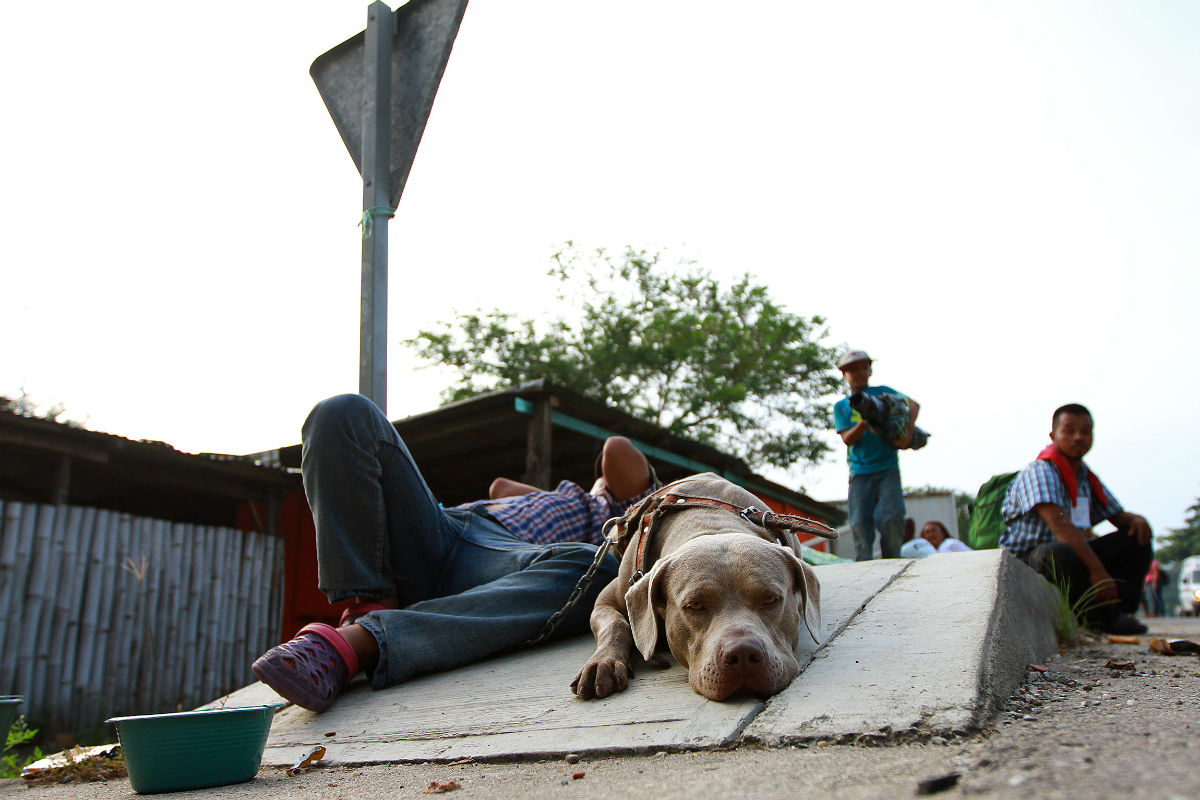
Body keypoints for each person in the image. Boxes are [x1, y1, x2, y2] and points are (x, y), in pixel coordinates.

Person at [251, 394, 658, 712]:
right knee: (344, 413)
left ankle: (360, 641)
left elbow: (617, 449)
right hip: (452, 531)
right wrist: (571, 494)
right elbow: (499, 488)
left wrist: (602, 494)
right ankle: (368, 601)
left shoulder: (624, 514)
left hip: (506, 569)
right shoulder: (569, 499)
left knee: (595, 568)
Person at [999, 403, 1152, 635]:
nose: (1078, 437)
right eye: (1069, 430)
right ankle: (1099, 619)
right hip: (1031, 559)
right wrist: (1098, 571)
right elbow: (1061, 525)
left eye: (1085, 431)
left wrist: (1138, 520)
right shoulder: (1041, 471)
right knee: (1056, 553)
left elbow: (1116, 515)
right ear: (1053, 436)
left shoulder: (1084, 475)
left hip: (1071, 551)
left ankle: (1119, 611)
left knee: (1134, 538)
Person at [832, 350, 920, 560]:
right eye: (853, 369)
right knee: (860, 525)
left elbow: (914, 405)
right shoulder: (842, 406)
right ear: (844, 374)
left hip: (887, 468)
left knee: (891, 518)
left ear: (870, 370)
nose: (860, 372)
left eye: (864, 367)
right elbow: (847, 438)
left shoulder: (883, 393)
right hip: (859, 472)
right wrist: (866, 421)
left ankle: (893, 562)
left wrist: (906, 434)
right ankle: (865, 566)